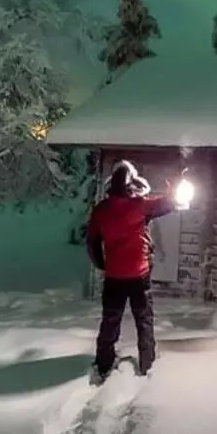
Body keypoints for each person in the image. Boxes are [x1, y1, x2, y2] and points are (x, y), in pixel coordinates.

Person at [86, 159, 180, 380]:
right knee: (144, 320)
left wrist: (102, 265)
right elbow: (169, 204)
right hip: (139, 276)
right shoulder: (141, 206)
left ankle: (103, 364)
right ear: (130, 186)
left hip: (114, 277)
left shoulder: (102, 210)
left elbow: (91, 243)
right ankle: (147, 363)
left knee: (110, 320)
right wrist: (174, 185)